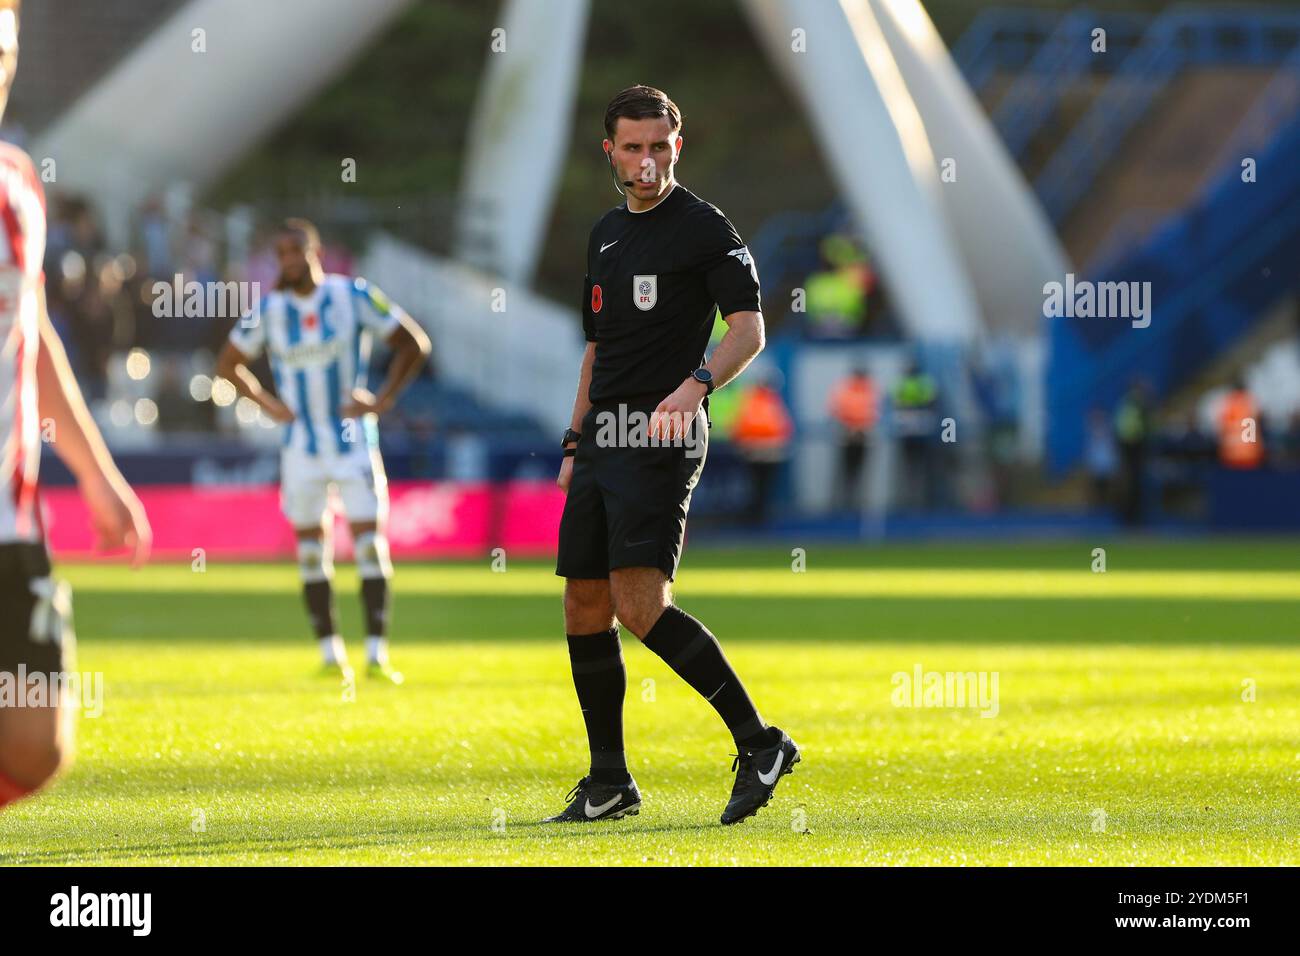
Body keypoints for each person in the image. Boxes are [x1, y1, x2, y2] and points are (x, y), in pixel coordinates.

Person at [550, 86, 800, 826]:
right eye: (633, 146)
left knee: (639, 606)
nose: (648, 160)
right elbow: (598, 349)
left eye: (660, 145)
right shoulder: (604, 235)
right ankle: (609, 781)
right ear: (611, 152)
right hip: (603, 441)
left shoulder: (704, 229)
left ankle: (760, 742)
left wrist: (694, 388)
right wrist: (574, 438)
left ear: (676, 147)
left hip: (661, 439)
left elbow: (748, 331)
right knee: (584, 607)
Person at [1, 0, 152, 813]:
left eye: (5, 54)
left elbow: (35, 342)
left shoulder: (19, 184)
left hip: (11, 521)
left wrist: (98, 478)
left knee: (37, 746)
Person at [216, 220, 430, 684]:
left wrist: (384, 398)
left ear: (316, 253)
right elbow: (227, 363)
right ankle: (331, 655)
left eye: (296, 251)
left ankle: (376, 654)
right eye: (281, 254)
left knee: (370, 544)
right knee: (312, 552)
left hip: (352, 440)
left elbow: (413, 343)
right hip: (301, 449)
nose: (289, 261)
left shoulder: (353, 295)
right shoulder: (269, 309)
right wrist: (266, 404)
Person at [731, 375, 794, 524]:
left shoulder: (772, 403)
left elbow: (783, 428)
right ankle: (754, 517)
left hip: (770, 454)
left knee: (764, 488)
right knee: (755, 486)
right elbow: (742, 427)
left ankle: (760, 517)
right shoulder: (753, 402)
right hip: (755, 454)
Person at [828, 366, 878, 511]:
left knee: (861, 471)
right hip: (847, 434)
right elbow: (836, 410)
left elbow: (874, 412)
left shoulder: (869, 389)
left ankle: (858, 505)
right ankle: (842, 504)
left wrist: (863, 427)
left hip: (863, 435)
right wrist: (850, 426)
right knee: (845, 471)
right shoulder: (845, 389)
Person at [1217, 379, 1263, 470]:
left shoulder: (1227, 403)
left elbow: (1221, 428)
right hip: (1250, 455)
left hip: (1230, 454)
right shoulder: (1251, 401)